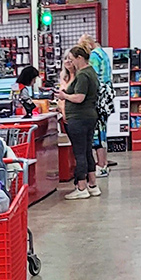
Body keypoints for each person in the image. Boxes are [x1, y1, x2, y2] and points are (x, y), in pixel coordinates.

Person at [55, 45, 100, 200]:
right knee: (87, 151)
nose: (71, 62)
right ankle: (93, 184)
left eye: (72, 59)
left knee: (79, 152)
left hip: (79, 118)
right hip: (90, 116)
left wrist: (64, 96)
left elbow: (79, 97)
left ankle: (81, 187)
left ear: (79, 58)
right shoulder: (91, 72)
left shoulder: (82, 75)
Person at [79, 34, 114, 177]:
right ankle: (104, 163)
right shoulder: (102, 53)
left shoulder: (93, 56)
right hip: (107, 96)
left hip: (98, 97)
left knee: (97, 133)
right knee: (103, 131)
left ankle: (100, 165)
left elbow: (92, 78)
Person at [58, 51, 76, 122]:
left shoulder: (79, 76)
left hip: (74, 115)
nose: (67, 61)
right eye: (65, 58)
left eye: (70, 59)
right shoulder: (63, 75)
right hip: (63, 114)